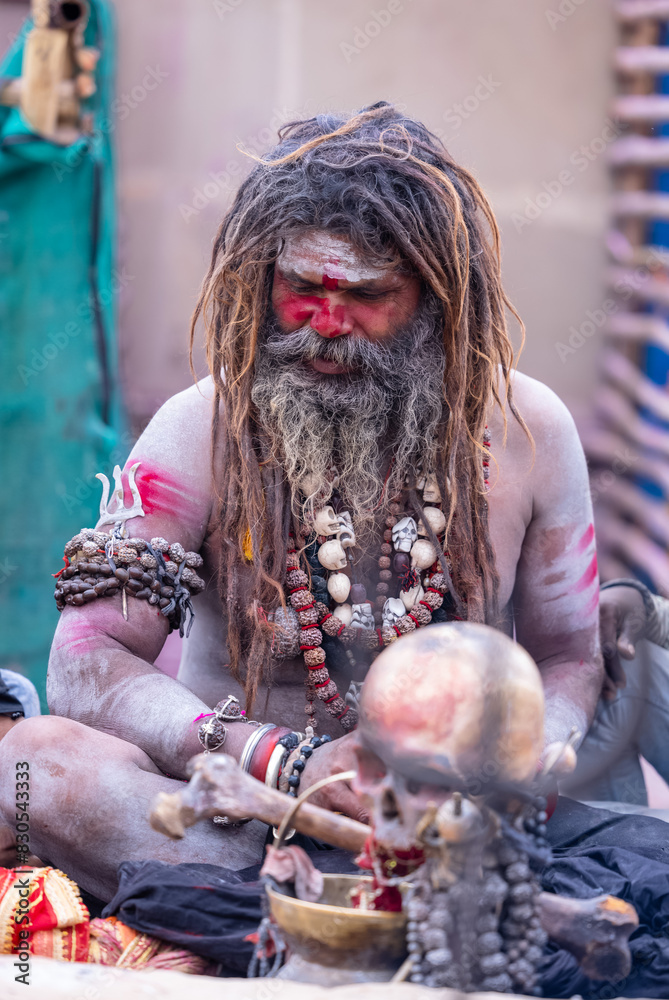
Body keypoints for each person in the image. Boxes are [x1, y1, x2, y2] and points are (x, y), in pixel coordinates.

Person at [0, 103, 605, 902]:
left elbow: (568, 658)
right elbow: (84, 664)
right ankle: (303, 904)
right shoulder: (201, 428)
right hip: (238, 824)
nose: (325, 323)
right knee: (32, 764)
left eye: (367, 295)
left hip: (455, 832)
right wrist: (278, 760)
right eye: (302, 286)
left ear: (436, 297)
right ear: (264, 276)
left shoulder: (528, 432)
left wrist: (519, 761)